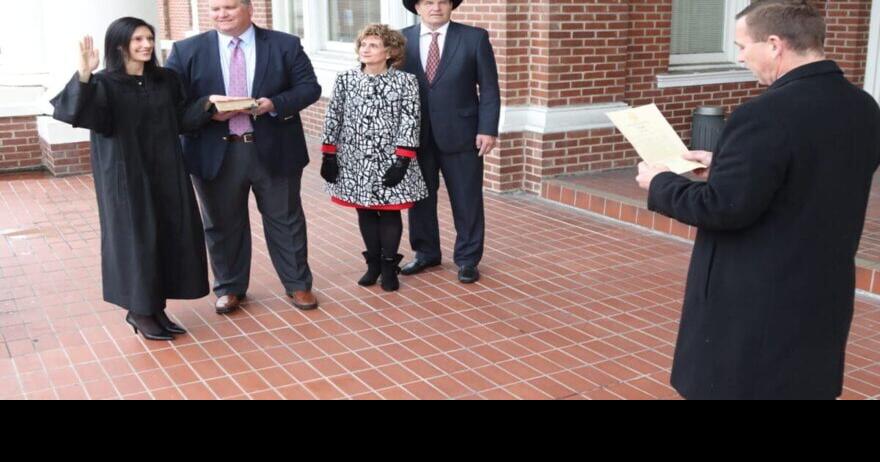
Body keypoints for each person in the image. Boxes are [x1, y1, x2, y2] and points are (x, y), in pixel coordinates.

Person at [635, 0, 880, 400]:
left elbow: (723, 207)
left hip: (757, 303)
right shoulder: (863, 107)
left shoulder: (764, 113)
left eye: (743, 46)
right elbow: (812, 172)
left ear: (774, 44)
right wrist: (726, 161)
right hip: (822, 291)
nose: (741, 57)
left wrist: (660, 181)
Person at [51, 18, 217, 341]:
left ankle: (155, 308)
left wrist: (209, 105)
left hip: (167, 171)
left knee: (168, 233)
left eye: (149, 38)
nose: (146, 45)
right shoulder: (104, 84)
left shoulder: (166, 80)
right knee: (136, 239)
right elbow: (75, 113)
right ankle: (138, 310)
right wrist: (84, 74)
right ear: (120, 45)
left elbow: (182, 119)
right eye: (137, 39)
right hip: (125, 176)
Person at [166, 0, 322, 315]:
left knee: (286, 219)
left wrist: (273, 103)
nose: (221, 14)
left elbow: (309, 88)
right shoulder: (185, 51)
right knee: (222, 224)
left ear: (249, 9)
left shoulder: (284, 45)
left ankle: (298, 284)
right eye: (215, 9)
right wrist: (208, 110)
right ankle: (230, 288)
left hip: (273, 148)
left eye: (230, 7)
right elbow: (172, 104)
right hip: (215, 153)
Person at [399, 0, 500, 284]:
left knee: (466, 199)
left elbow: (489, 87)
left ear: (451, 6)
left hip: (463, 133)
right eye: (428, 2)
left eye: (442, 1)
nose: (436, 7)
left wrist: (487, 128)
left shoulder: (474, 38)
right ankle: (426, 252)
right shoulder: (400, 39)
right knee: (420, 198)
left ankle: (468, 259)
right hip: (415, 136)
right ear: (417, 7)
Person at [320, 24, 427, 292]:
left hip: (391, 158)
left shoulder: (406, 81)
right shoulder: (345, 79)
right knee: (365, 208)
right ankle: (374, 264)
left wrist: (402, 160)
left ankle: (390, 266)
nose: (365, 50)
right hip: (355, 158)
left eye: (373, 45)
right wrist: (329, 155)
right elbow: (334, 116)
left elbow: (410, 120)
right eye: (363, 44)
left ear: (389, 52)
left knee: (389, 210)